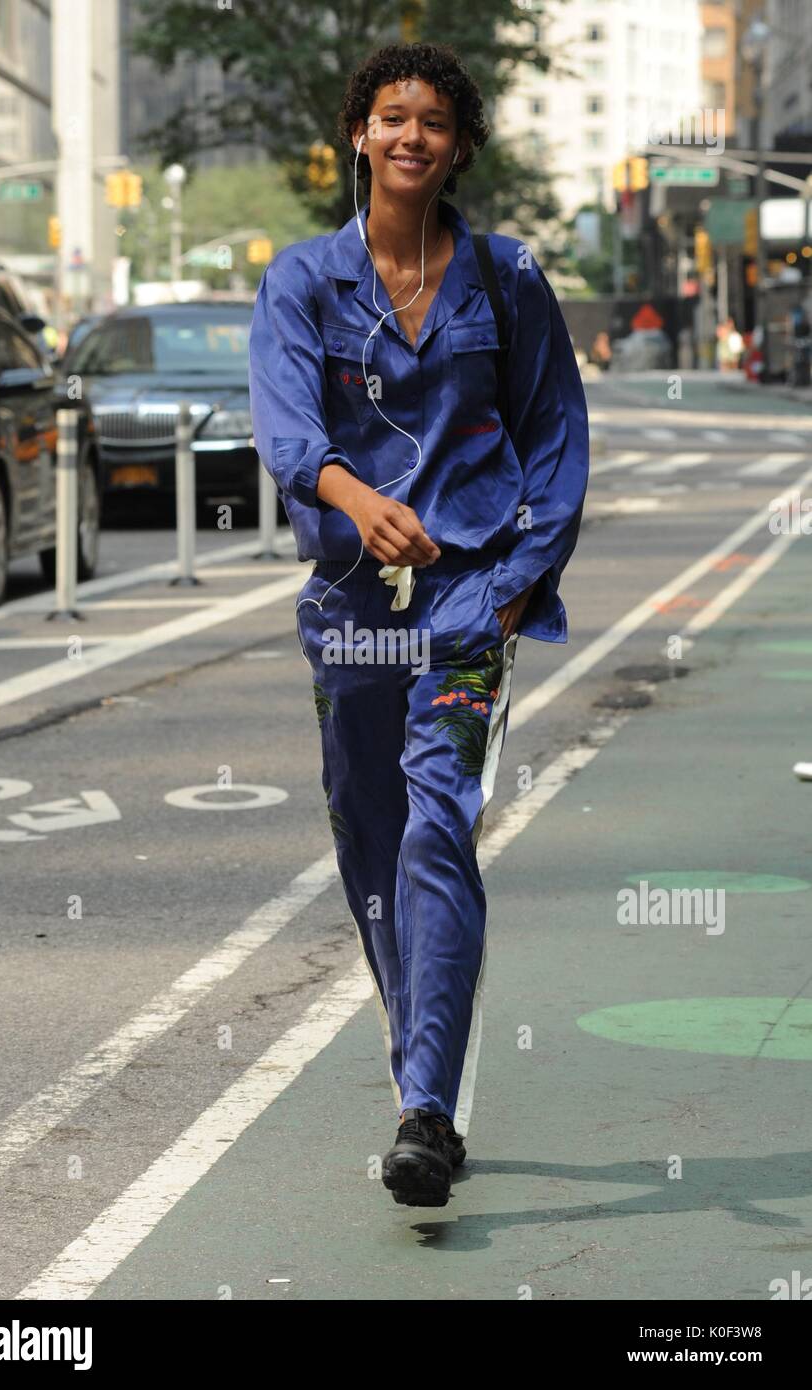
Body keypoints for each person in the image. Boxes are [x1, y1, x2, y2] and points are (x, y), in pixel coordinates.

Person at [249, 43, 589, 1208]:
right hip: (350, 610)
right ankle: (418, 1057)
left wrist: (511, 584)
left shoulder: (508, 276)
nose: (411, 136)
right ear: (357, 133)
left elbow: (556, 441)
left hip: (464, 604)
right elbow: (289, 433)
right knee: (370, 835)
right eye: (390, 116)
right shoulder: (301, 281)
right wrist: (351, 498)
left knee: (439, 818)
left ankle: (427, 1109)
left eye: (433, 121)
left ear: (459, 145)